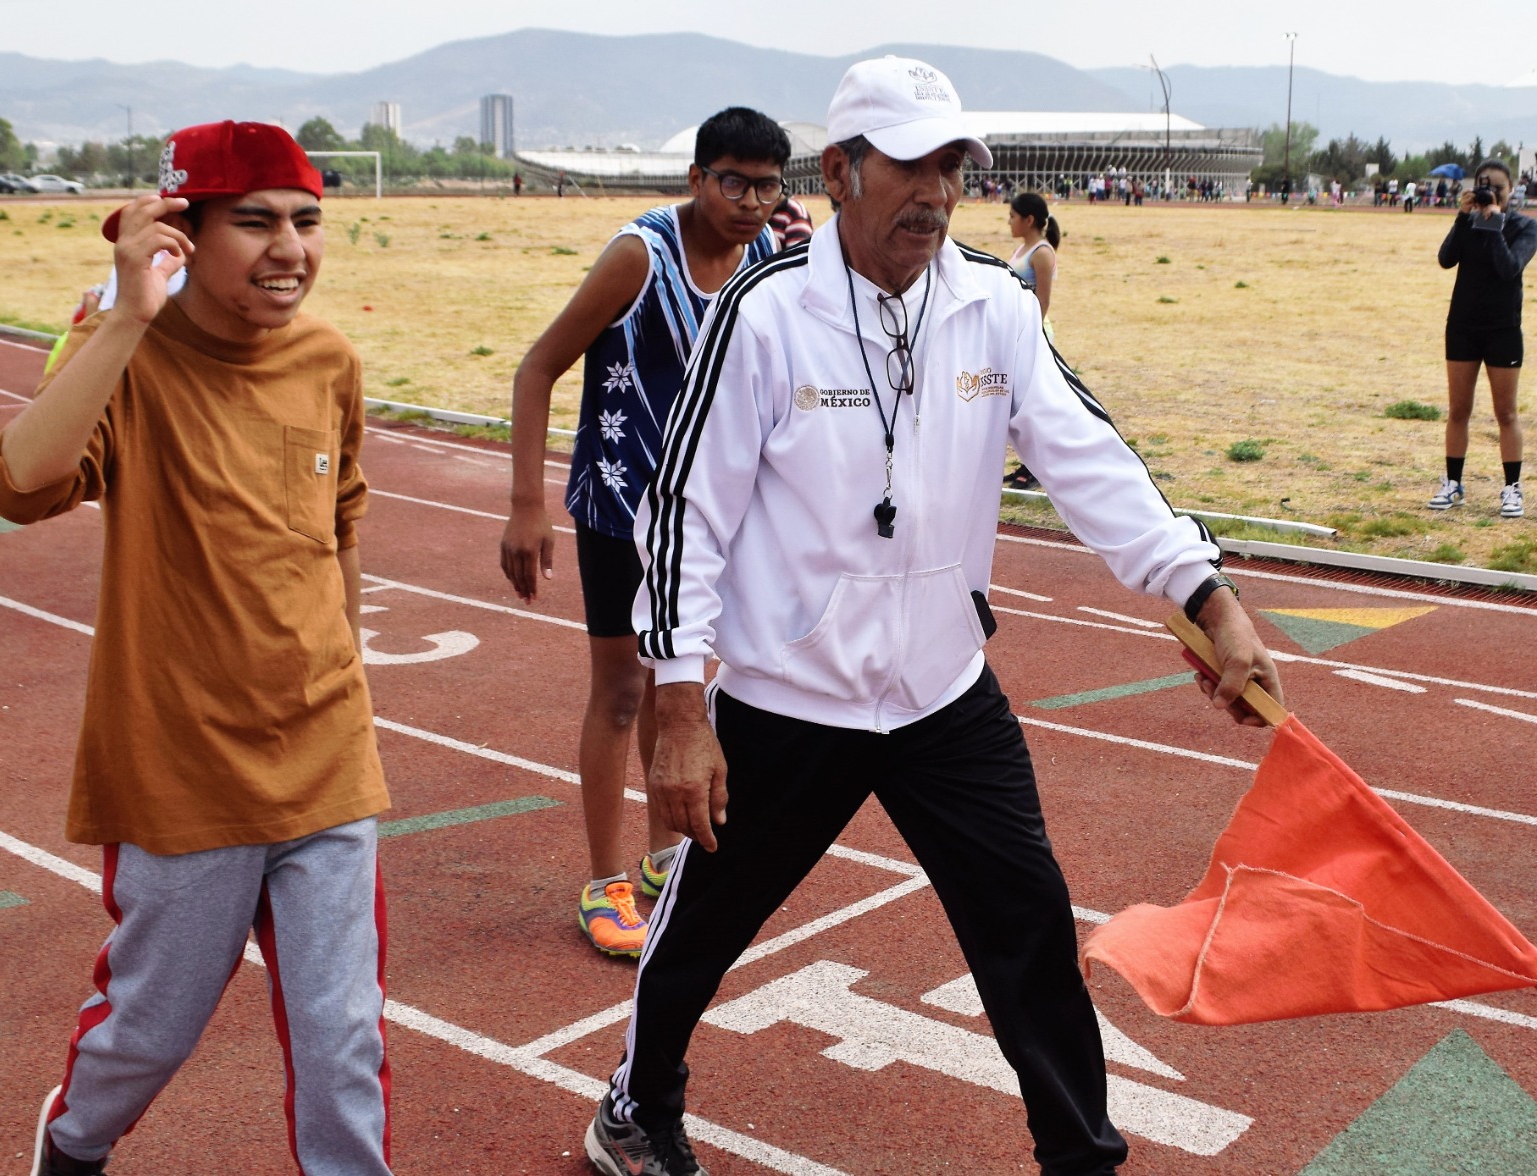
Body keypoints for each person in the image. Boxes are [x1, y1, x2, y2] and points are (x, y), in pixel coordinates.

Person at [582, 55, 1282, 1176]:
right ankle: (636, 1105)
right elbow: (684, 519)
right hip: (784, 693)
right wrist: (676, 705)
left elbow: (1092, 465)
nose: (938, 193)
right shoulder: (763, 317)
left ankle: (1079, 1157)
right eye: (912, 165)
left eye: (954, 166)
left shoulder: (992, 307)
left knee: (1029, 934)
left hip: (943, 694)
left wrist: (1205, 595)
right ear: (844, 170)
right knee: (704, 926)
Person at [0, 121, 392, 1176]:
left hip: (326, 761)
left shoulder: (329, 361)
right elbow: (21, 485)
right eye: (253, 221)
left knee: (344, 1036)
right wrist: (124, 315)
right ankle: (73, 1146)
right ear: (179, 231)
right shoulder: (127, 353)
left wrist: (348, 678)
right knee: (149, 1032)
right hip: (181, 773)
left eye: (306, 221)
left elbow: (341, 525)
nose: (290, 248)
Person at [498, 107, 789, 958]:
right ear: (697, 178)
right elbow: (537, 368)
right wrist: (526, 504)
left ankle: (667, 861)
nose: (748, 201)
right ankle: (604, 880)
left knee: (682, 686)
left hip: (702, 518)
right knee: (624, 692)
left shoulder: (765, 257)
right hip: (622, 508)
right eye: (732, 181)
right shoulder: (641, 255)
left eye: (766, 186)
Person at [1427, 158, 1536, 518]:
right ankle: (1453, 483)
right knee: (1458, 409)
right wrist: (1463, 217)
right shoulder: (1468, 221)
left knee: (1505, 412)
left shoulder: (1524, 226)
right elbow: (1445, 259)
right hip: (1462, 325)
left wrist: (1494, 223)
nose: (1492, 194)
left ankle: (1512, 488)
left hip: (1503, 329)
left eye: (1499, 189)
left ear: (1511, 191)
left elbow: (1508, 268)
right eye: (1485, 187)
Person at [1002, 190, 1061, 493]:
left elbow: (1044, 301)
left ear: (1029, 220)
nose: (1008, 221)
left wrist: (1030, 336)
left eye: (1013, 216)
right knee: (1018, 405)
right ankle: (1028, 464)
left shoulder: (1041, 252)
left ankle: (1036, 469)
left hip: (1036, 334)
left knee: (1032, 404)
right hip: (1019, 333)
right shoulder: (1023, 249)